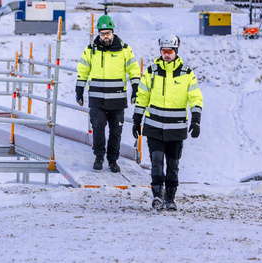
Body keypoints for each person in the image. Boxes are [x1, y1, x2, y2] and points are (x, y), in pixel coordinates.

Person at [133, 34, 203, 211]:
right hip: (154, 127)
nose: (166, 54)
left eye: (170, 51)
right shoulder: (151, 71)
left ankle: (170, 198)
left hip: (176, 128)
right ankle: (157, 196)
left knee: (173, 165)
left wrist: (196, 120)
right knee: (156, 162)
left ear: (176, 51)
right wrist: (136, 119)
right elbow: (142, 96)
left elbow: (195, 97)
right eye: (163, 51)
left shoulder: (187, 73)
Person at [76, 14, 140, 173]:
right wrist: (79, 90)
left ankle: (113, 160)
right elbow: (83, 70)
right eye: (102, 34)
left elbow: (133, 69)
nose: (105, 37)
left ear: (113, 32)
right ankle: (99, 156)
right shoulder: (91, 50)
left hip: (117, 99)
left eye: (108, 33)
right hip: (97, 98)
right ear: (99, 33)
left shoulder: (124, 49)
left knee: (116, 130)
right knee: (98, 126)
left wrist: (135, 88)